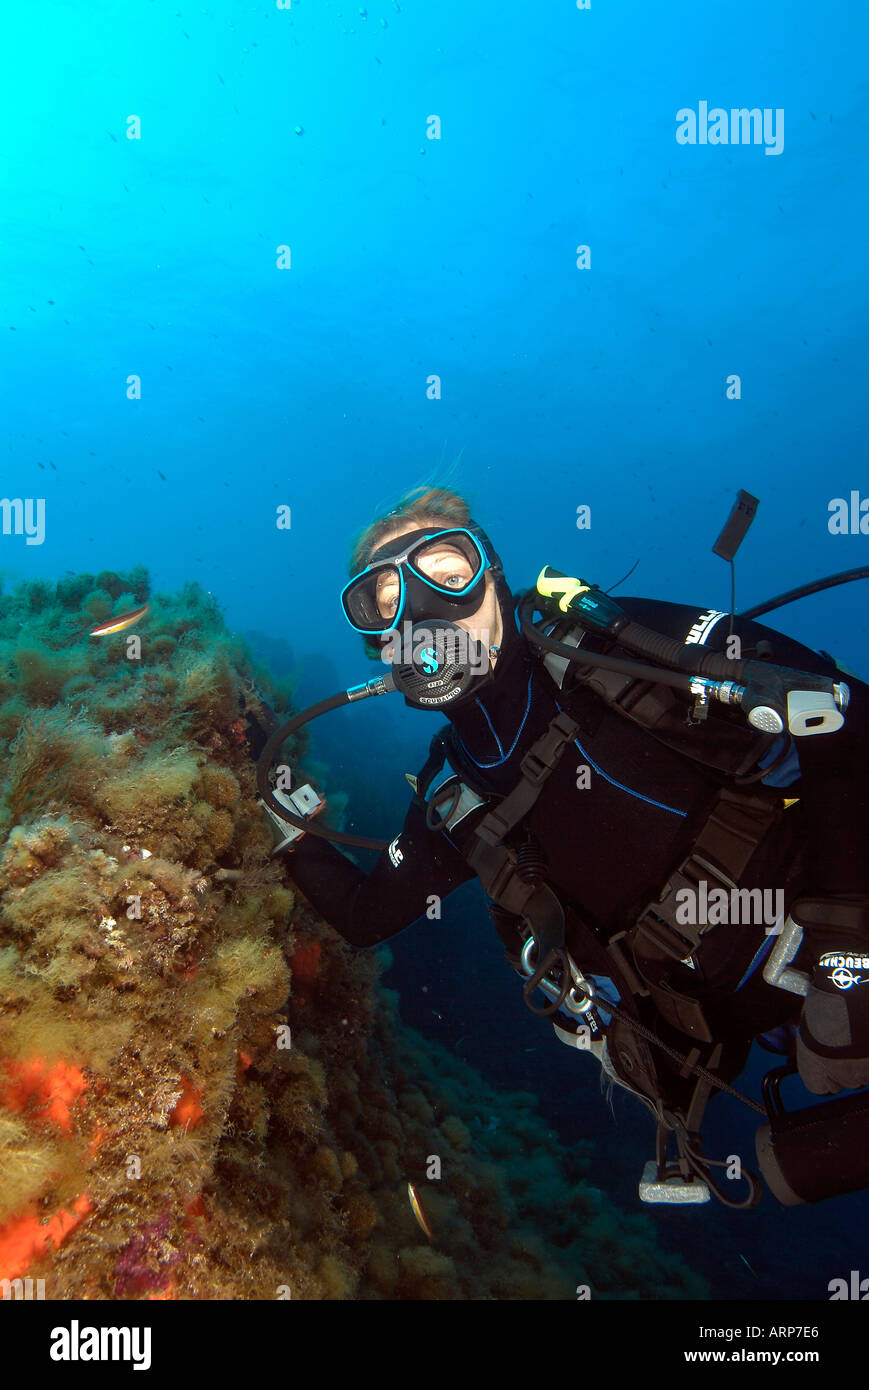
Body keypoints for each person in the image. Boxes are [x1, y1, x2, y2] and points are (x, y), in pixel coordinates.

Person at [247, 486, 869, 1208]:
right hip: (740, 1027)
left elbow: (844, 712)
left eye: (448, 574)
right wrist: (283, 823)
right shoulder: (455, 790)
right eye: (384, 599)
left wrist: (844, 944)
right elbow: (364, 914)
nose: (422, 614)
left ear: (496, 581)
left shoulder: (617, 650)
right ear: (376, 642)